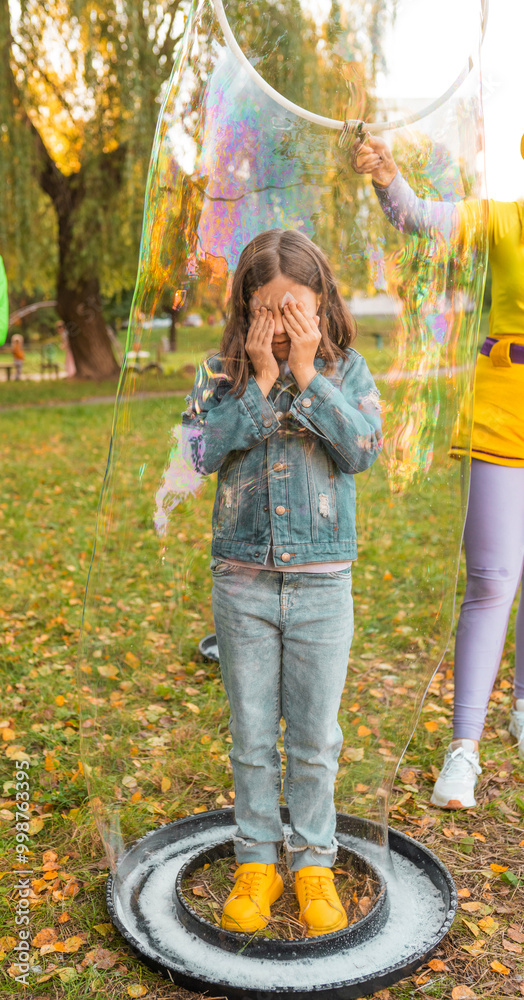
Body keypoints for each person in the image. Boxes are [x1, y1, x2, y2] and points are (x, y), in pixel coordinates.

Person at [183, 228, 382, 935]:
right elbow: (200, 451)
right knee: (250, 733)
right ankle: (257, 860)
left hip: (324, 585)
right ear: (245, 309)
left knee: (314, 736)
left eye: (295, 309)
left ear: (322, 303)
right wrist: (263, 380)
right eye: (268, 310)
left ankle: (313, 864)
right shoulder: (219, 374)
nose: (282, 325)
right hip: (242, 583)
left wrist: (307, 375)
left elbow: (361, 449)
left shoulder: (348, 371)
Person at [352, 133, 524, 810]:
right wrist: (389, 178)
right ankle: (464, 749)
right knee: (491, 578)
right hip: (501, 419)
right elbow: (418, 216)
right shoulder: (501, 219)